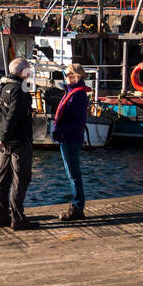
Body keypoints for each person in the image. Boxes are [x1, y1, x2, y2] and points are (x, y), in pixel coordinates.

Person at [0, 57, 38, 230]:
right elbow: (14, 117)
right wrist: (4, 137)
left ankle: (0, 217)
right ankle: (17, 218)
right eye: (28, 69)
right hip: (18, 142)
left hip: (4, 143)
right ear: (22, 72)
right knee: (21, 179)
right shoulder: (20, 90)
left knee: (2, 179)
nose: (30, 72)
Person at [52, 63, 90, 220]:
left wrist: (61, 131)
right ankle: (76, 205)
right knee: (72, 173)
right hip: (68, 137)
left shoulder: (78, 95)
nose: (65, 77)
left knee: (73, 174)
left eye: (67, 74)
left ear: (76, 76)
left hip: (70, 138)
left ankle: (77, 207)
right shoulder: (72, 92)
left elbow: (78, 121)